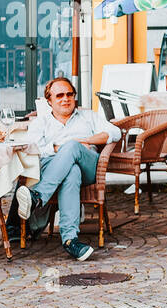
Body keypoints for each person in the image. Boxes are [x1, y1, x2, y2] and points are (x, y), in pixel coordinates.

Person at [14, 77, 123, 261]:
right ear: (49, 101)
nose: (66, 99)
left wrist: (85, 141)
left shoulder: (88, 116)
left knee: (73, 147)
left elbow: (114, 132)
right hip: (55, 169)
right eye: (60, 95)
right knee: (71, 172)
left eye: (69, 94)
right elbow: (33, 149)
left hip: (88, 165)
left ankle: (38, 197)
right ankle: (70, 241)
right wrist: (58, 148)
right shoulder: (41, 122)